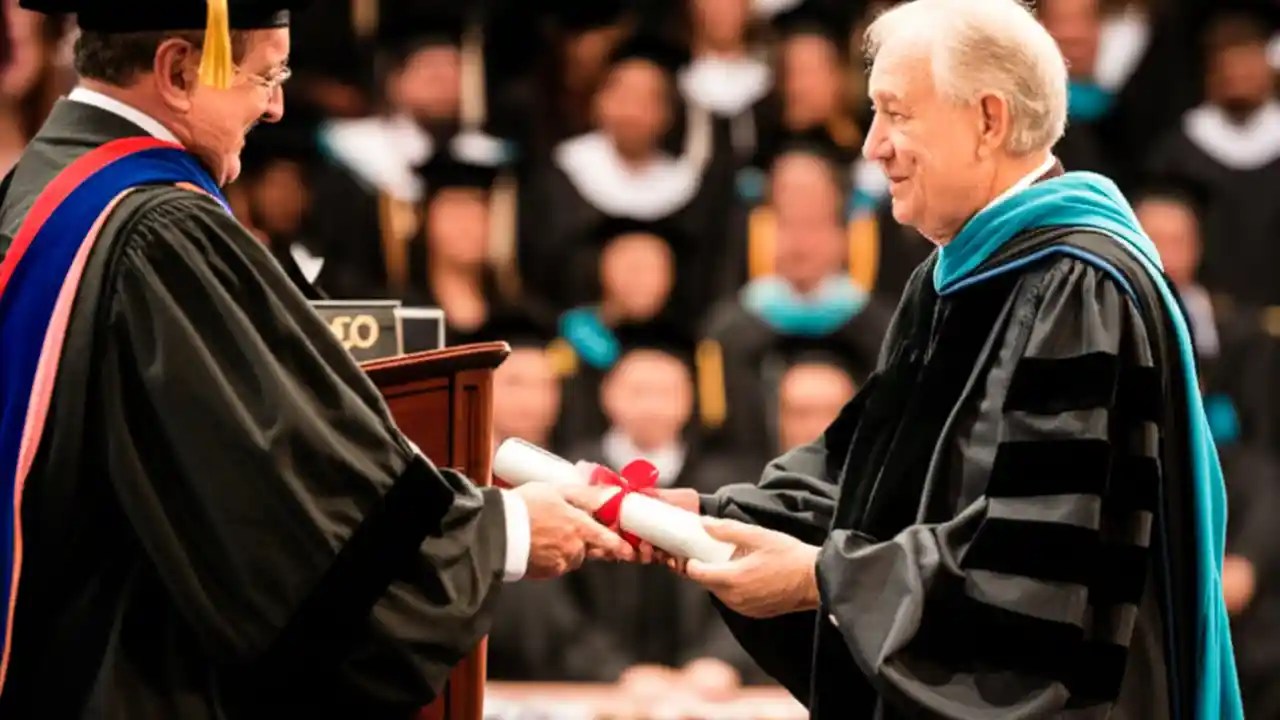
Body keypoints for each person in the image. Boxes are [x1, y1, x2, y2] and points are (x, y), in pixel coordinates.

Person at [0, 1, 632, 716]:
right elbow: (269, 506)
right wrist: (500, 532)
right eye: (265, 76)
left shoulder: (49, 192)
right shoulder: (159, 233)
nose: (274, 108)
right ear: (177, 71)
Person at [633, 0, 1244, 717]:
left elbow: (1038, 557)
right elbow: (876, 478)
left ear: (988, 120)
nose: (873, 146)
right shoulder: (958, 275)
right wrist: (708, 516)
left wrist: (821, 579)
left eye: (896, 114)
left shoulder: (1077, 286)